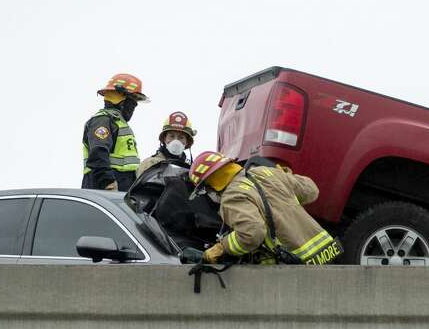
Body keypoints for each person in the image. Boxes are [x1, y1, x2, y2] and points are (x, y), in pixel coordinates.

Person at [180, 151, 342, 265]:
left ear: (210, 184)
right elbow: (311, 191)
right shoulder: (266, 172)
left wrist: (222, 247)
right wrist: (285, 177)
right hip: (326, 252)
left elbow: (252, 233)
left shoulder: (231, 197)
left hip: (295, 263)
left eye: (204, 190)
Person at [81, 73, 149, 192]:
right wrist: (108, 183)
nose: (134, 106)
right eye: (132, 101)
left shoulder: (118, 123)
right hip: (105, 189)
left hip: (122, 188)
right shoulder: (103, 121)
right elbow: (97, 154)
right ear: (120, 98)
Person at [133, 111, 196, 180]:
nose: (176, 141)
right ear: (164, 139)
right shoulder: (149, 164)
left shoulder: (191, 170)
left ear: (187, 142)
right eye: (171, 136)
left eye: (181, 137)